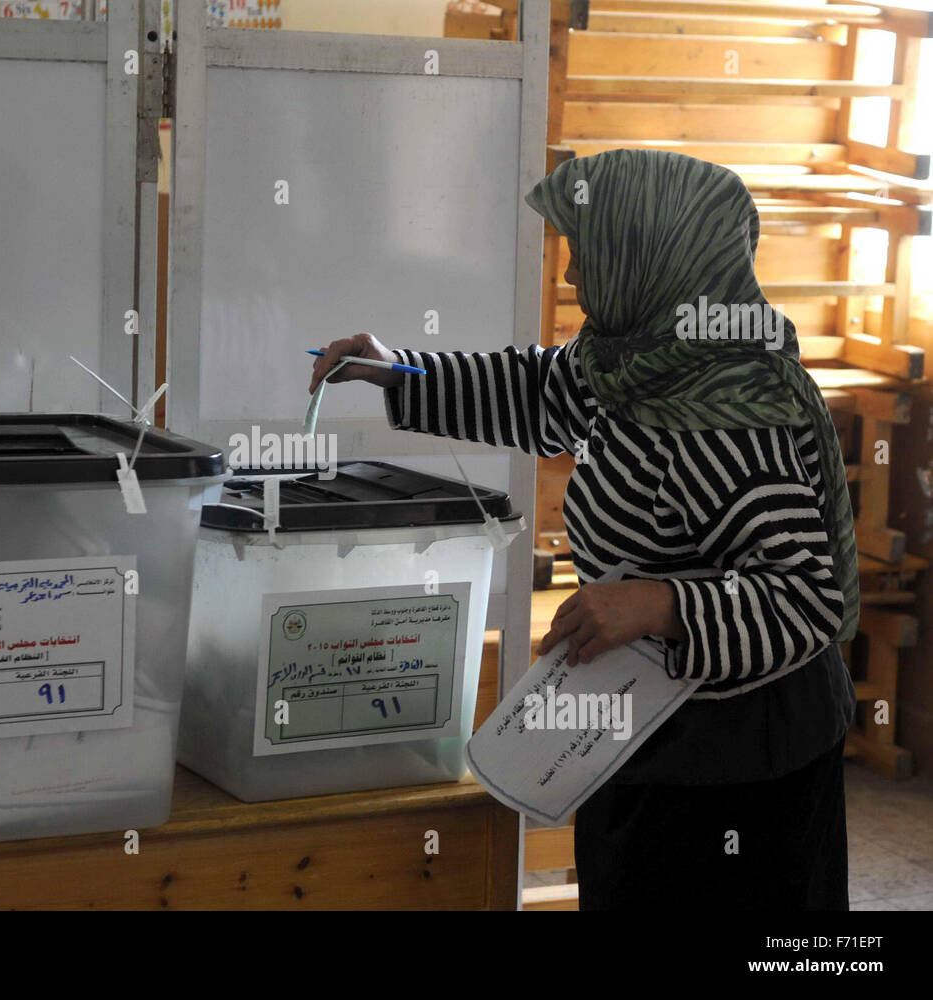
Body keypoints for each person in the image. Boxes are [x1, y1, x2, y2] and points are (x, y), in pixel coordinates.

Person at [310, 148, 857, 910]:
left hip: (742, 756)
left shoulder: (727, 419)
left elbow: (806, 600)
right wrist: (400, 370)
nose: (570, 277)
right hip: (651, 713)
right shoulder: (636, 361)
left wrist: (661, 604)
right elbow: (541, 389)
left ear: (648, 257)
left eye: (584, 255)